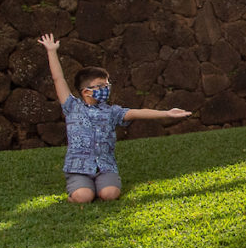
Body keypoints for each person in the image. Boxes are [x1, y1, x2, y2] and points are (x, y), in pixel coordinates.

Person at [39, 33, 190, 203]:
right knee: (83, 197)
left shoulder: (111, 112)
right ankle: (78, 193)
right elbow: (58, 78)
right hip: (78, 168)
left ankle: (100, 185)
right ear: (86, 91)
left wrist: (167, 113)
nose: (106, 89)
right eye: (101, 86)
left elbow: (136, 112)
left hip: (105, 167)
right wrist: (51, 51)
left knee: (109, 194)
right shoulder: (72, 107)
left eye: (107, 85)